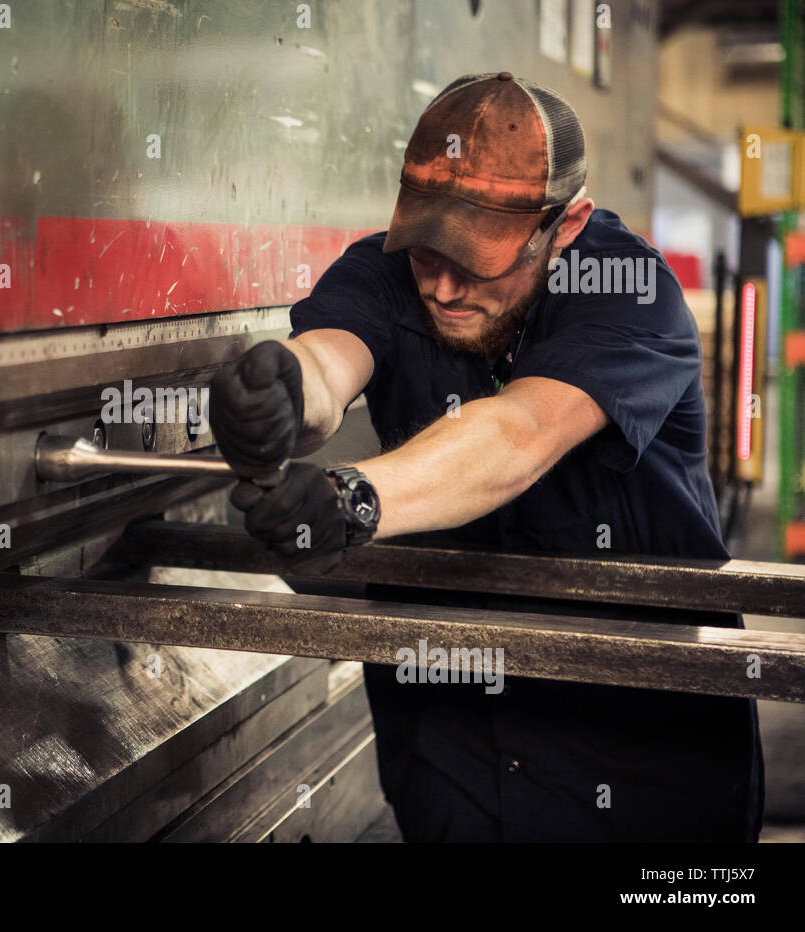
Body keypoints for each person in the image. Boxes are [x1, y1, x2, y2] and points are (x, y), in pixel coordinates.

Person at [207, 72, 763, 842]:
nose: (441, 286)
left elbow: (519, 433)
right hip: (452, 750)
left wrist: (353, 500)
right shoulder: (385, 270)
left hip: (639, 755)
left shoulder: (628, 289)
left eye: (476, 260)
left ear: (564, 227)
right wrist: (284, 389)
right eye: (425, 251)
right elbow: (331, 361)